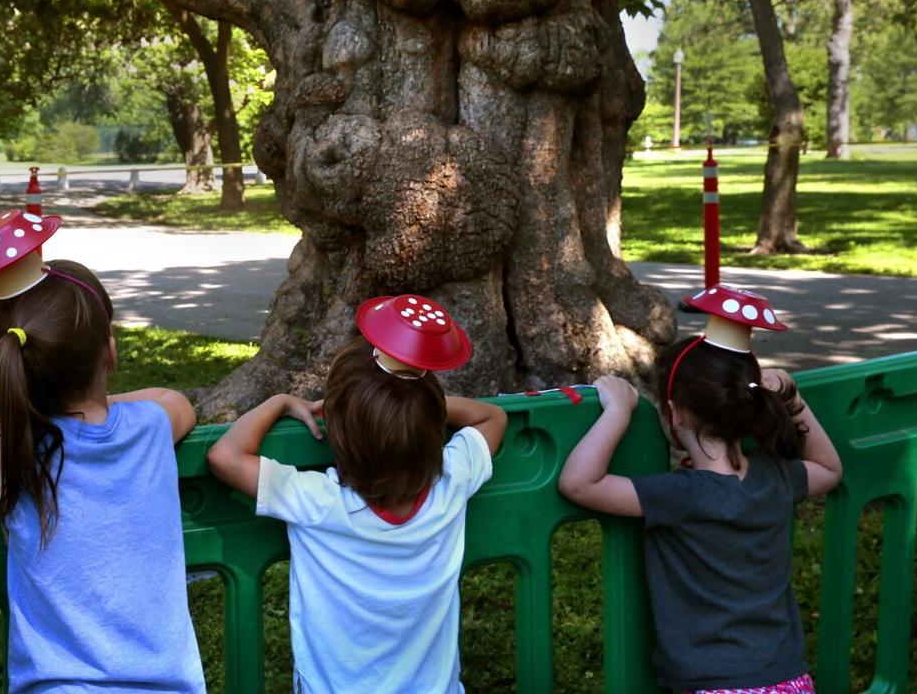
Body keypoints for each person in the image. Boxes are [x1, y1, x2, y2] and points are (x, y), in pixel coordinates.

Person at [0, 258, 205, 693]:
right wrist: (103, 406)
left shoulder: (9, 445)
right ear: (108, 352)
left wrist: (25, 415)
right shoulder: (150, 426)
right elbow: (176, 400)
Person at [207, 294, 509, 694]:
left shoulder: (318, 502)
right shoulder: (453, 479)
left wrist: (280, 401)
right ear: (432, 420)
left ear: (336, 428)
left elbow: (225, 456)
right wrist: (410, 397)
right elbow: (493, 416)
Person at [557, 284, 844, 694]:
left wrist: (617, 413)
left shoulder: (680, 495)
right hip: (788, 679)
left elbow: (579, 483)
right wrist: (794, 400)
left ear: (674, 414)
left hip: (714, 685)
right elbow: (829, 469)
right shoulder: (775, 477)